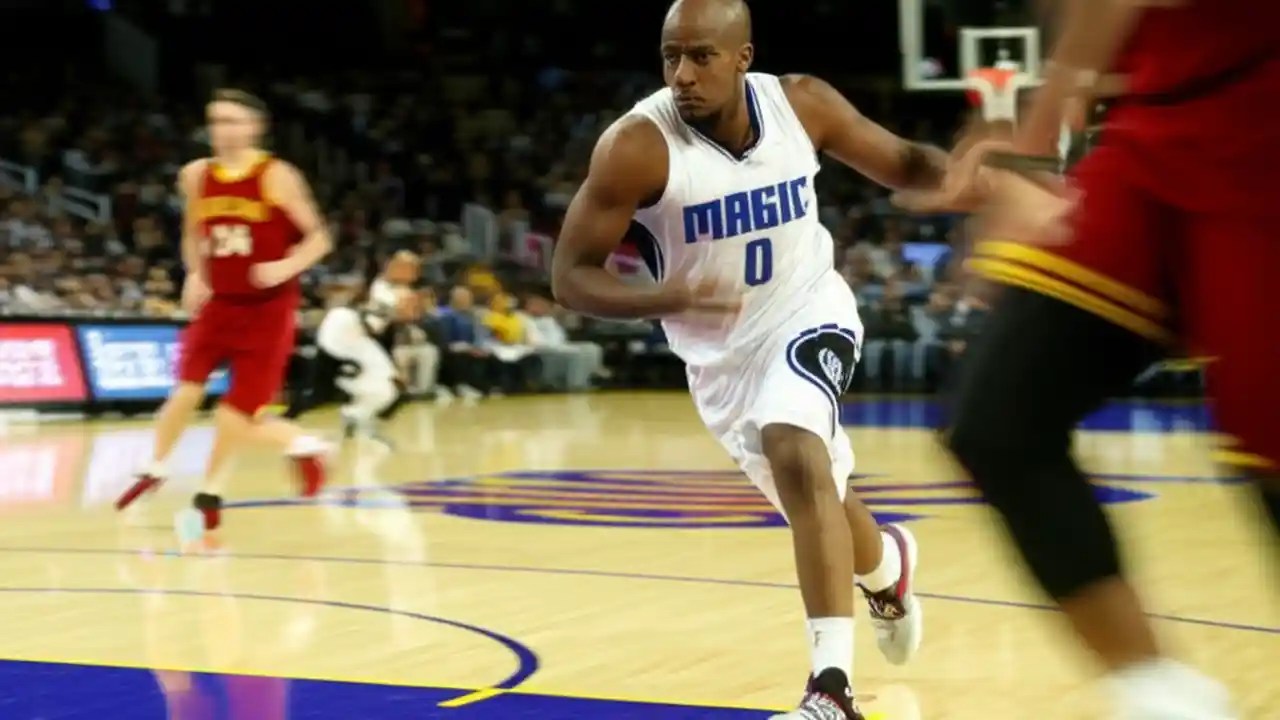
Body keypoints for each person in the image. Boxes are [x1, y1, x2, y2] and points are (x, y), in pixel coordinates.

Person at [550, 1, 947, 716]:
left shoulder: (800, 104)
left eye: (702, 56)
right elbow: (571, 274)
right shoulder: (637, 145)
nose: (683, 74)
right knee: (814, 491)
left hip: (808, 309)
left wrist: (991, 179)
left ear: (743, 56)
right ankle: (888, 570)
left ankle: (831, 693)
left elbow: (909, 164)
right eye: (671, 55)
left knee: (796, 449)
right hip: (720, 360)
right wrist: (659, 298)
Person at [897, 1, 1280, 717]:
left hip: (1263, 111)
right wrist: (1031, 145)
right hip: (1151, 128)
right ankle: (1167, 699)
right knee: (997, 419)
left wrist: (1034, 135)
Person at [115, 89, 333, 534]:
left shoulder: (276, 175)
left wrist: (287, 265)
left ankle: (215, 488)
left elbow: (320, 238)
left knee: (235, 415)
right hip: (221, 302)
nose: (223, 130)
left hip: (268, 308)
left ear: (256, 127)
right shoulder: (196, 174)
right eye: (216, 121)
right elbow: (193, 231)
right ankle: (155, 466)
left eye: (233, 121)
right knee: (185, 388)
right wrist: (196, 273)